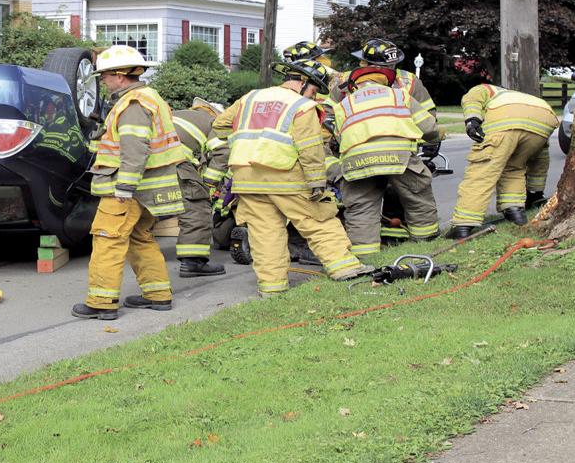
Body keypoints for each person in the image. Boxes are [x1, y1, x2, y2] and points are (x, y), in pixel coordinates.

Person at [205, 59, 371, 296]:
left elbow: (219, 124)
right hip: (286, 176)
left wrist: (251, 135)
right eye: (314, 90)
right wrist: (316, 183)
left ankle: (273, 287)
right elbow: (311, 149)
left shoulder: (250, 97)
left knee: (264, 233)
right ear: (303, 82)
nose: (314, 97)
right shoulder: (302, 106)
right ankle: (345, 268)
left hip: (247, 179)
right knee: (318, 220)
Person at [72, 45, 189, 320]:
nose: (102, 81)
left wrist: (124, 187)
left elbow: (134, 150)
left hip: (127, 190)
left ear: (120, 75)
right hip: (149, 189)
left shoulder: (132, 104)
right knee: (139, 237)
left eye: (105, 76)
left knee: (107, 239)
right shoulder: (149, 98)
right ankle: (157, 295)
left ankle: (102, 302)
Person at [331, 66, 442, 257]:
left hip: (358, 162)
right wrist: (435, 138)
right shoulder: (400, 96)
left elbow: (339, 137)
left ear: (354, 85)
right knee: (418, 197)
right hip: (400, 158)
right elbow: (429, 127)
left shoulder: (343, 105)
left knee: (361, 207)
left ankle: (365, 256)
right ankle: (426, 243)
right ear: (385, 81)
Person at [447, 84, 560, 238]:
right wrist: (536, 191)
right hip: (545, 120)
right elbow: (541, 158)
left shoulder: (485, 89)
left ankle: (463, 225)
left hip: (506, 119)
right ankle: (515, 212)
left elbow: (472, 99)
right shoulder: (519, 97)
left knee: (482, 172)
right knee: (514, 167)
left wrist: (472, 121)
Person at [170, 97, 227, 277]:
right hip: (173, 160)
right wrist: (208, 185)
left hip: (142, 164)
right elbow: (223, 153)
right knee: (197, 208)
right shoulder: (215, 123)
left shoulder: (179, 115)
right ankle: (193, 262)